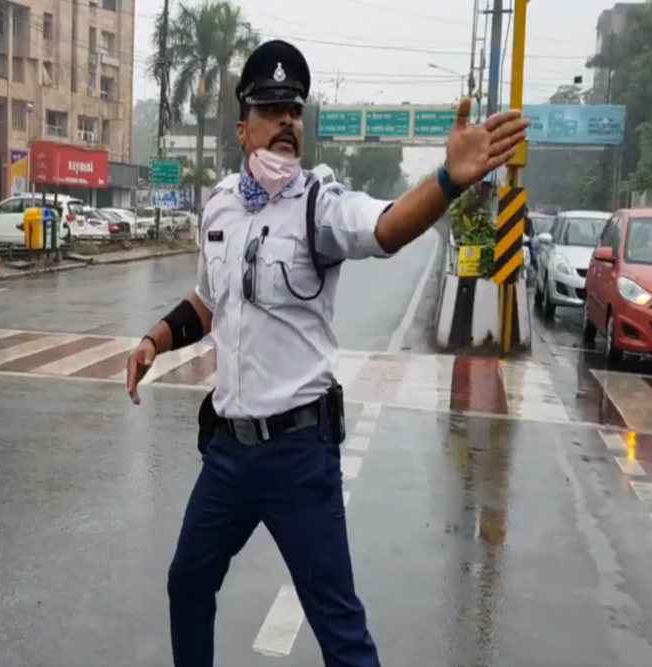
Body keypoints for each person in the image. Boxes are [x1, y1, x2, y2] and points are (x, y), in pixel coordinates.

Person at [125, 40, 529, 667]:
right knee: (187, 584)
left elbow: (388, 226)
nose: (287, 119)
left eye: (294, 109)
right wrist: (155, 339)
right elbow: (209, 301)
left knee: (338, 630)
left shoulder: (320, 205)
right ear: (243, 127)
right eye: (271, 108)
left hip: (298, 457)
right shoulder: (221, 207)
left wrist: (447, 179)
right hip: (229, 455)